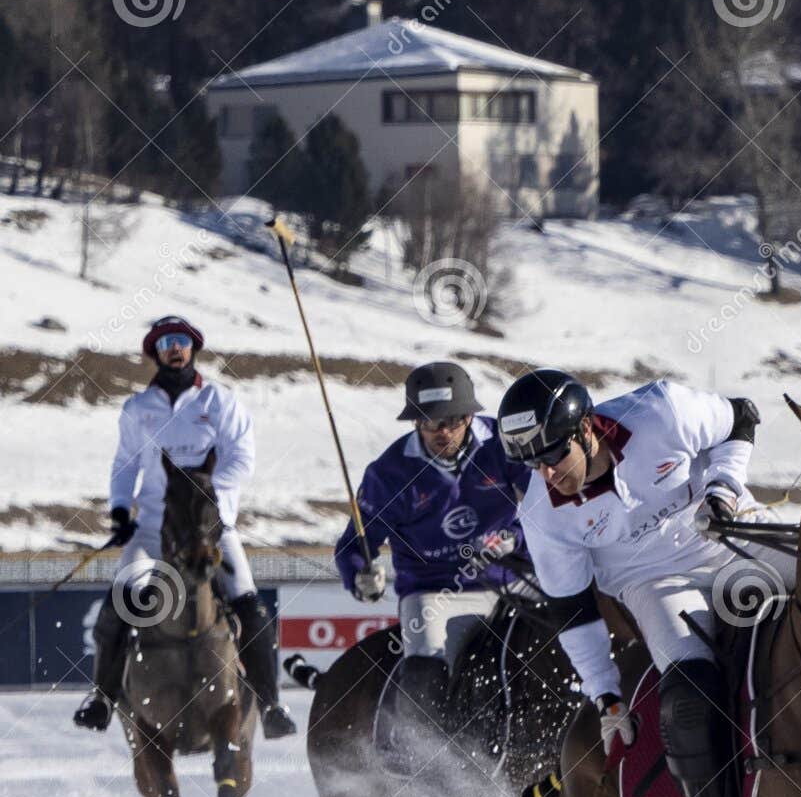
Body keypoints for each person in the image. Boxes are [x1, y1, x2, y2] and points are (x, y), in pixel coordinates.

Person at [498, 370, 789, 797]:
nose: (547, 472)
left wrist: (723, 489)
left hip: (733, 535)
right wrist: (606, 695)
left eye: (554, 454)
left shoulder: (662, 410)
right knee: (686, 700)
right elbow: (575, 609)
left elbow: (742, 415)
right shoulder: (545, 513)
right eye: (533, 464)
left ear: (585, 429)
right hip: (655, 584)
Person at [73, 314, 296, 738]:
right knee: (121, 597)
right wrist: (121, 509)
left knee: (249, 602)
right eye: (165, 342)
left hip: (213, 530)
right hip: (155, 528)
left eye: (181, 341)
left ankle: (270, 705)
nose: (174, 348)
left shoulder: (219, 402)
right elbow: (124, 463)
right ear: (155, 352)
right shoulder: (139, 409)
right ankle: (101, 698)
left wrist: (204, 492)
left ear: (193, 348)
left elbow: (242, 457)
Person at [334, 361, 532, 712]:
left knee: (571, 632)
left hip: (511, 579)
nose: (443, 432)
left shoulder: (503, 445)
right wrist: (360, 575)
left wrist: (515, 538)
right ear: (416, 423)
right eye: (430, 422)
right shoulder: (389, 473)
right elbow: (355, 543)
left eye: (453, 420)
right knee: (425, 668)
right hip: (433, 592)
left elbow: (547, 504)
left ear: (469, 417)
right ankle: (425, 756)